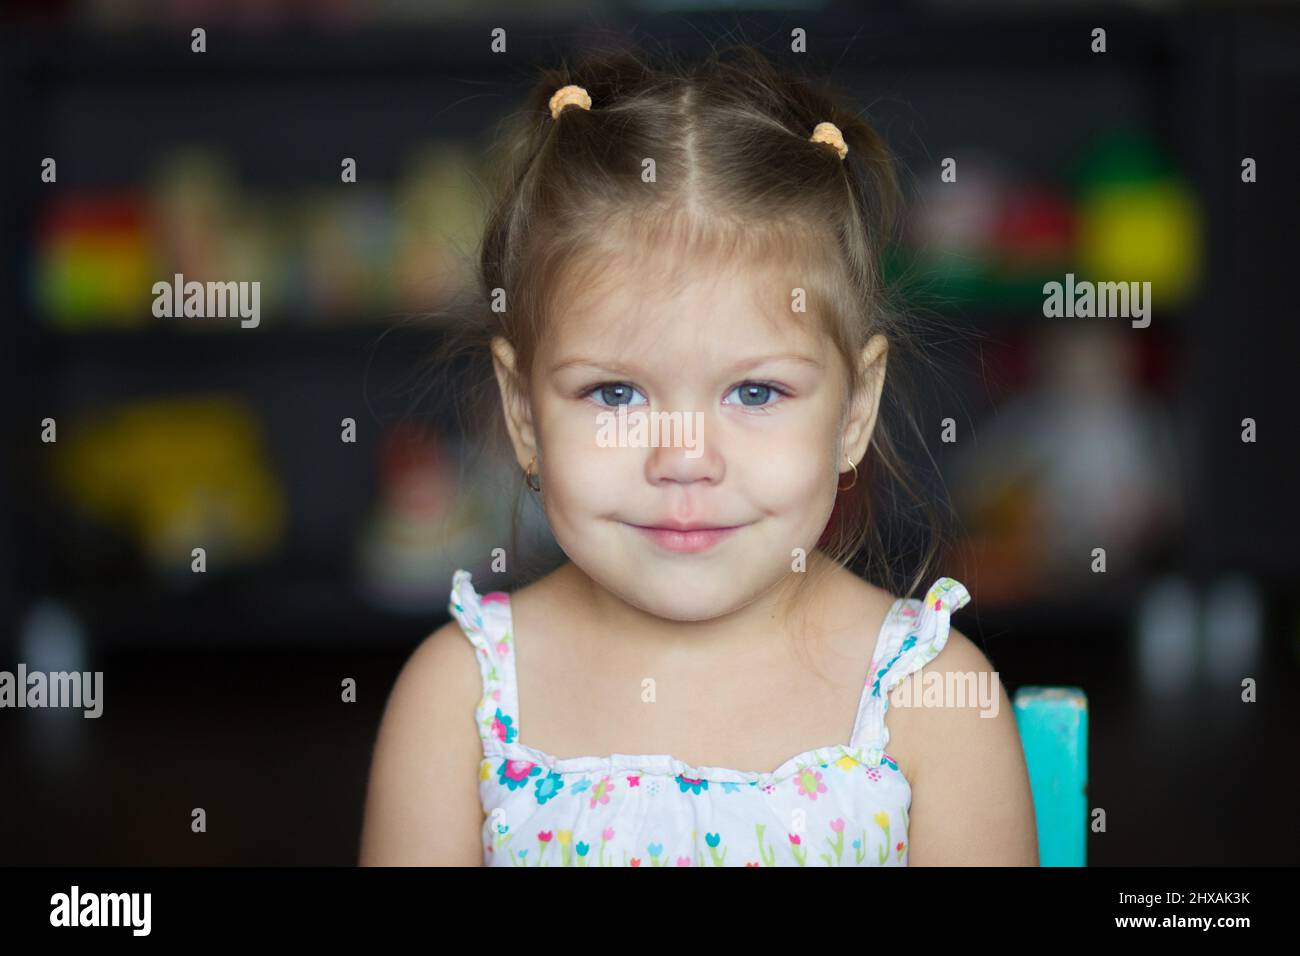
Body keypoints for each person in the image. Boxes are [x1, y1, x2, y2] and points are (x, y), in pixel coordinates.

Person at [360, 44, 1037, 867]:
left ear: (855, 410)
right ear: (523, 415)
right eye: (615, 394)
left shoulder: (930, 701)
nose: (685, 460)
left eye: (755, 393)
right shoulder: (460, 698)